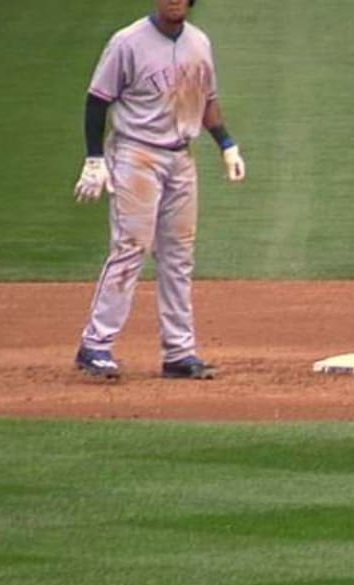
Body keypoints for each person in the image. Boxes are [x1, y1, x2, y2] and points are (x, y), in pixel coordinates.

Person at [71, 0, 245, 382]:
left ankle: (179, 353)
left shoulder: (199, 42)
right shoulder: (127, 42)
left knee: (179, 255)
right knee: (131, 246)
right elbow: (97, 100)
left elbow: (207, 99)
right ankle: (95, 344)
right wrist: (94, 159)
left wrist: (226, 143)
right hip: (136, 155)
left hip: (181, 158)